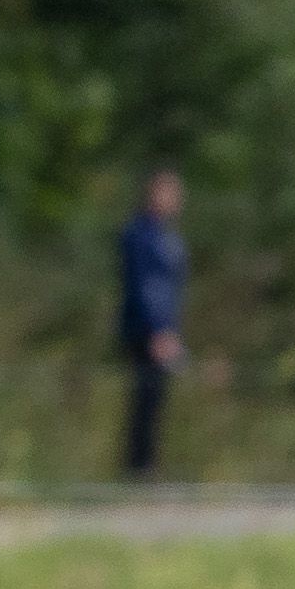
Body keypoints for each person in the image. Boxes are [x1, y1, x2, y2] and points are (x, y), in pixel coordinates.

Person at [114, 171, 187, 479]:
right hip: (146, 331)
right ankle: (139, 469)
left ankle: (148, 466)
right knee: (145, 397)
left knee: (156, 400)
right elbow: (142, 286)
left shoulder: (167, 237)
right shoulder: (139, 235)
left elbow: (171, 289)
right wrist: (157, 331)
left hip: (165, 329)